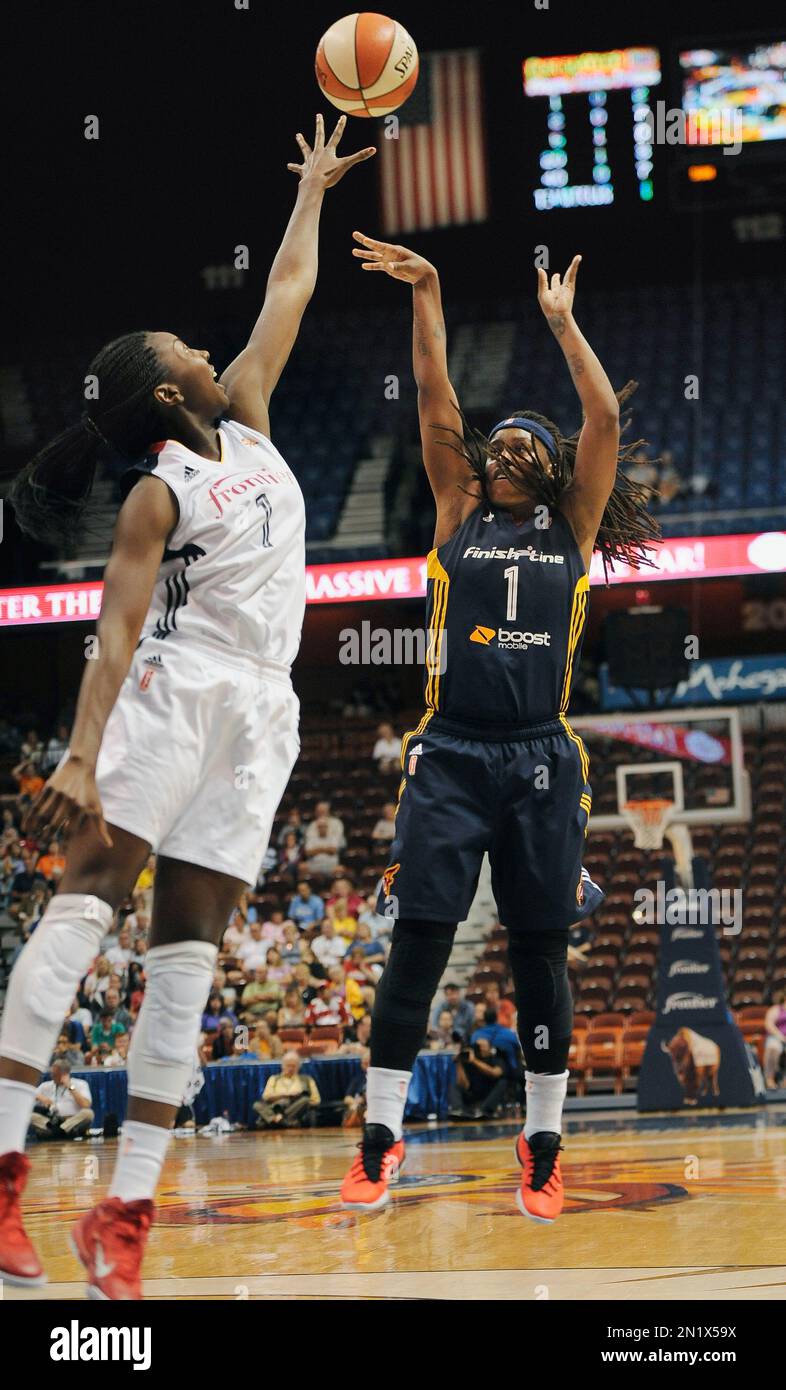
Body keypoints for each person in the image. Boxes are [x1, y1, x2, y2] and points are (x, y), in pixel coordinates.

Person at [0, 113, 374, 1299]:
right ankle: (1, 1172)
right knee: (85, 910)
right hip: (176, 691)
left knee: (188, 962)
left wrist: (311, 190)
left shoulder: (248, 416)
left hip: (264, 713)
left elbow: (287, 289)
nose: (214, 348)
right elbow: (113, 633)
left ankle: (124, 1214)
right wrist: (79, 756)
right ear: (172, 387)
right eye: (189, 348)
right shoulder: (156, 497)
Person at [339, 234, 658, 1220]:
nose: (514, 447)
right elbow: (433, 387)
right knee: (420, 943)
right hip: (450, 751)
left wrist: (562, 324)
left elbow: (603, 416)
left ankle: (544, 1141)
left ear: (556, 472)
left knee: (538, 953)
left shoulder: (573, 526)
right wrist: (427, 291)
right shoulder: (455, 509)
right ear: (481, 464)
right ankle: (380, 1137)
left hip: (540, 756)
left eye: (533, 445)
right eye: (503, 441)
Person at [253, 1052, 321, 1129]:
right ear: (283, 1066)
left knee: (305, 1100)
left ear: (298, 1067)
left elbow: (316, 1100)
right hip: (275, 1107)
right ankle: (282, 1121)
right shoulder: (274, 1079)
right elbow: (266, 1096)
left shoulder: (307, 1079)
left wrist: (296, 1100)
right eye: (288, 1065)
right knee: (257, 1105)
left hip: (294, 1108)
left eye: (293, 1066)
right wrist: (286, 1095)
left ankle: (276, 1119)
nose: (291, 1068)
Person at [29, 1063, 94, 1141]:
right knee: (29, 1116)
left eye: (55, 1075)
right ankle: (60, 1131)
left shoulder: (80, 1084)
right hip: (50, 1122)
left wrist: (70, 1087)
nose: (52, 1076)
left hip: (71, 1121)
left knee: (88, 1113)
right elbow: (28, 1095)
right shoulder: (45, 1085)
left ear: (64, 1074)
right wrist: (40, 1097)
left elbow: (86, 1105)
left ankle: (60, 1130)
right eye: (51, 1074)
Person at [448, 1036, 508, 1121]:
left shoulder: (496, 1059)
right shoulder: (468, 1060)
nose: (481, 1048)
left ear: (490, 1047)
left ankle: (485, 1110)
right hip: (473, 1091)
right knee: (454, 1084)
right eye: (478, 1046)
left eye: (483, 1046)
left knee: (503, 1082)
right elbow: (464, 1084)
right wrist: (459, 1063)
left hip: (489, 1093)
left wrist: (474, 1061)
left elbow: (495, 1073)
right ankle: (457, 1110)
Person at [764, 992, 786, 1089]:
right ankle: (770, 1079)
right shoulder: (776, 1009)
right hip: (777, 1037)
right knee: (772, 1048)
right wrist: (781, 1037)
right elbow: (769, 1025)